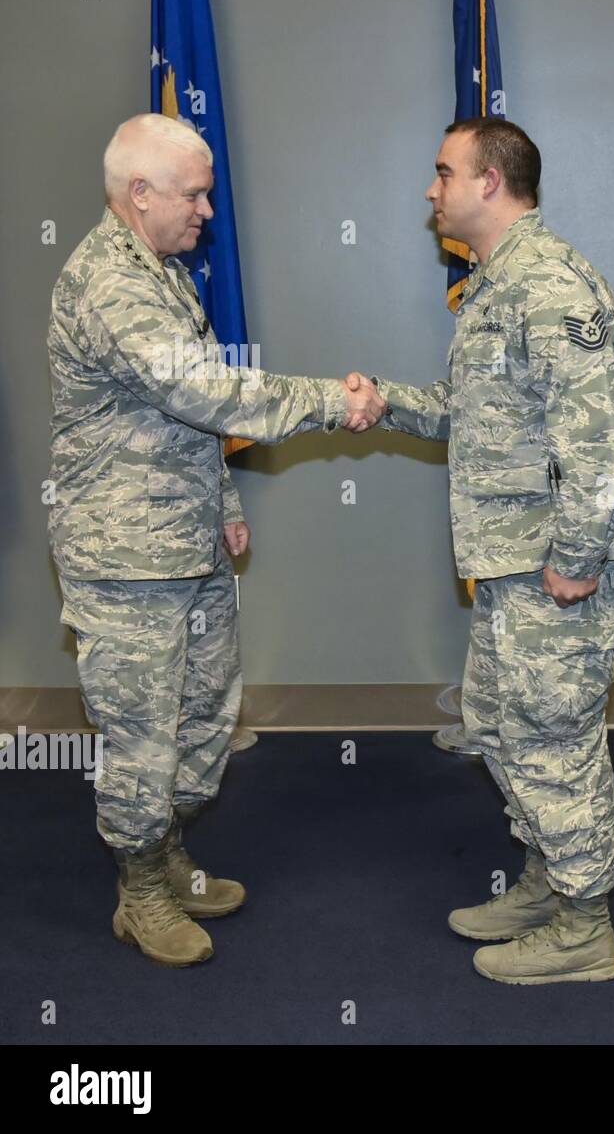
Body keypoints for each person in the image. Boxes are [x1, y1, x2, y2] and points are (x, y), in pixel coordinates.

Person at [48, 113, 385, 966]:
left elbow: (184, 423)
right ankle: (141, 890)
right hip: (124, 559)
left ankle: (168, 852)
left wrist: (226, 496)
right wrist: (328, 400)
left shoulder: (162, 274)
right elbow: (202, 391)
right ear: (140, 194)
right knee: (141, 735)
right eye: (194, 194)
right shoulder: (109, 282)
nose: (206, 210)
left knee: (202, 720)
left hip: (187, 543)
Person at [358, 117, 614, 984]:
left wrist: (577, 555)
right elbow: (471, 410)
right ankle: (546, 883)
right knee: (503, 727)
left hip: (556, 563)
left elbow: (597, 441)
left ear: (490, 181)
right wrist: (385, 401)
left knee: (550, 738)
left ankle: (585, 929)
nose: (430, 188)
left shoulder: (549, 285)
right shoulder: (499, 283)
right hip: (515, 559)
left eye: (443, 171)